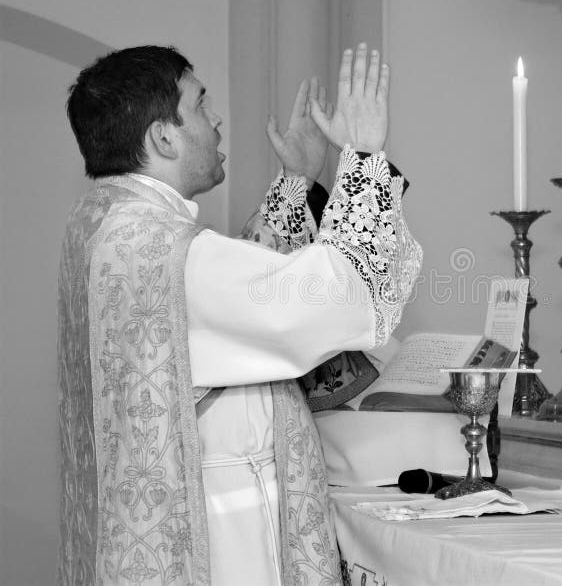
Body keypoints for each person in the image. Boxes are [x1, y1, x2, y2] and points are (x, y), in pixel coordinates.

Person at [58, 43, 422, 586]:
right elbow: (322, 302)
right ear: (164, 136)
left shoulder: (106, 225)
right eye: (200, 105)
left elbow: (234, 309)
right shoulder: (165, 248)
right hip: (220, 531)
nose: (216, 119)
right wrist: (363, 157)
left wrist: (296, 181)